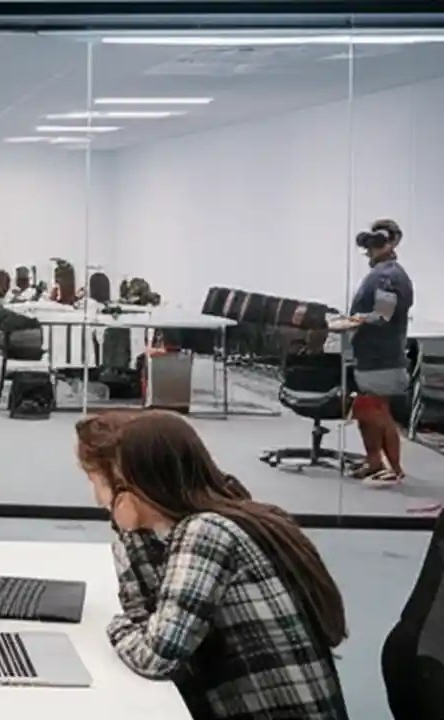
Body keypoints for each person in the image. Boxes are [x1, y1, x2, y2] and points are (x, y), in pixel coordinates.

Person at [76, 411, 348, 720]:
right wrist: (132, 533)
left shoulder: (206, 534)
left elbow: (155, 657)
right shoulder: (230, 517)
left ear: (132, 485)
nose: (98, 499)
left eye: (97, 482)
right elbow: (146, 614)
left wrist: (113, 627)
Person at [343, 219, 415, 486]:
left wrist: (355, 321)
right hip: (371, 356)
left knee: (378, 412)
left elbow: (383, 315)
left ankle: (394, 469)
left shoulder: (388, 275)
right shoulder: (383, 272)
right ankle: (374, 460)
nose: (369, 251)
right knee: (366, 411)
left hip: (382, 358)